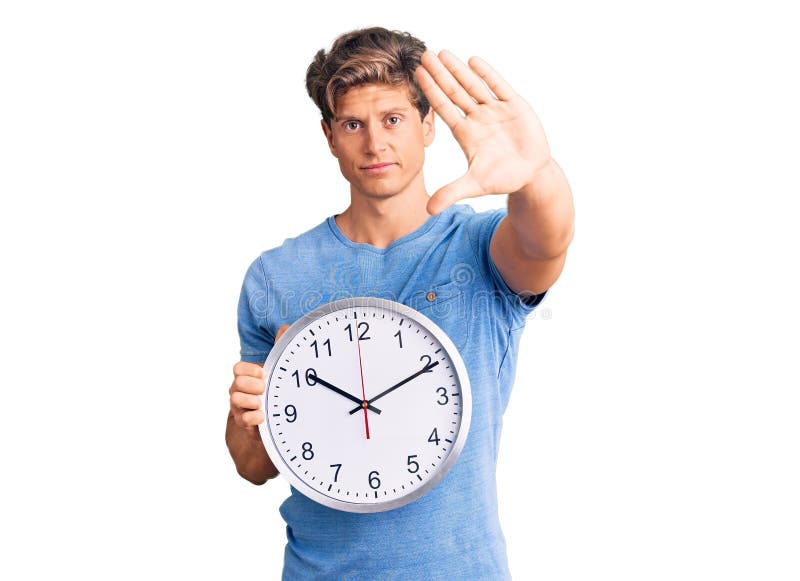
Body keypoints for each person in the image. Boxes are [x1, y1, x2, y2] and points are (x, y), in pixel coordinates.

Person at [226, 26, 574, 579]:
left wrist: (536, 177)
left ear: (428, 124)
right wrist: (249, 421)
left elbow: (544, 241)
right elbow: (251, 467)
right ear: (329, 134)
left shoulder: (481, 249)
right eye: (353, 124)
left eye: (393, 119)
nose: (374, 144)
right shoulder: (275, 276)